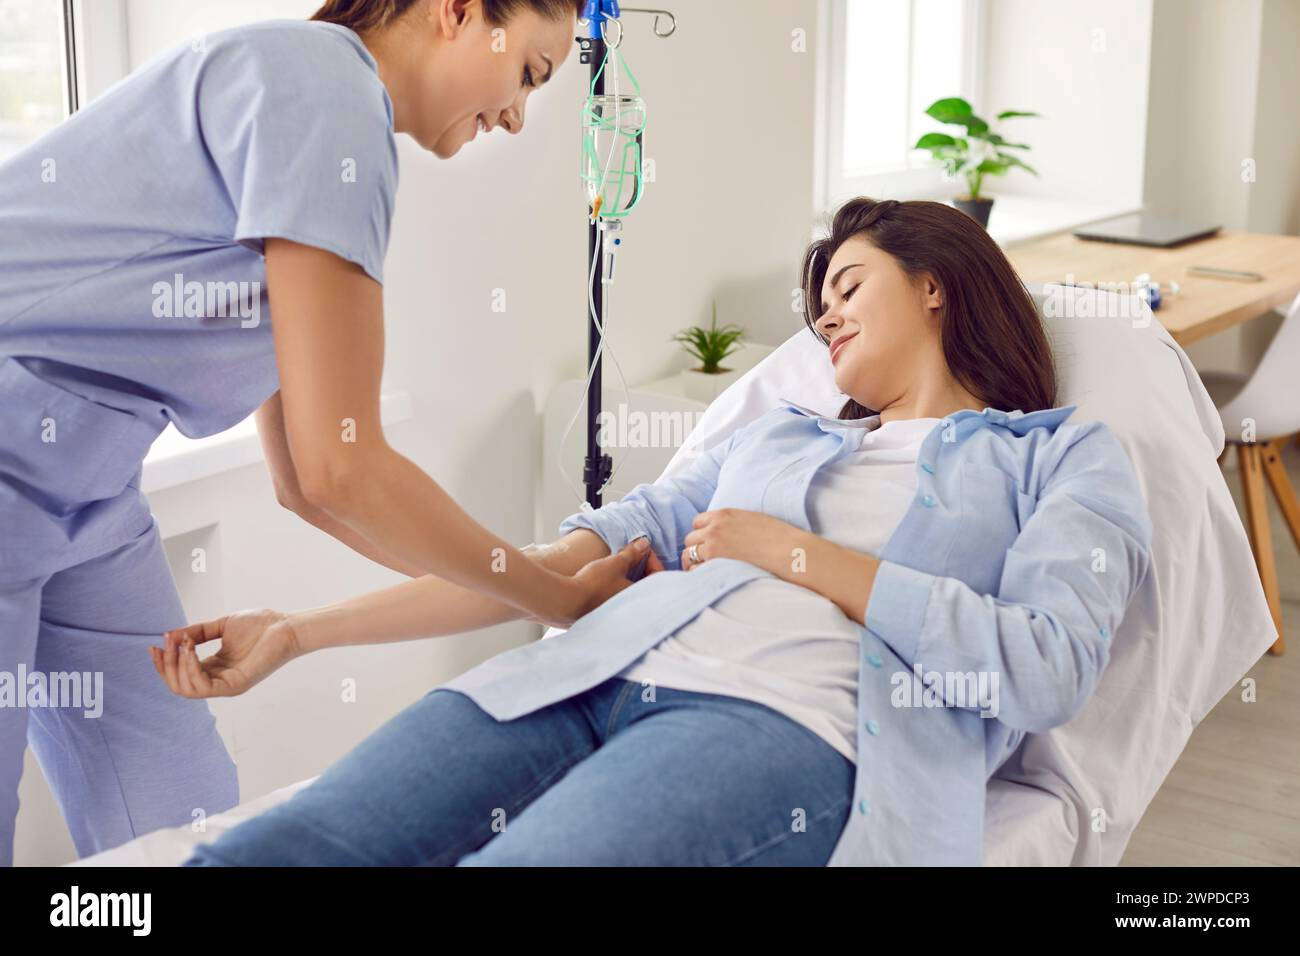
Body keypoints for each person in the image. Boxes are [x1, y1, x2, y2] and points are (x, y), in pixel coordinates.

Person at [164, 198, 1154, 866]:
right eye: (819, 313)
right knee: (284, 846)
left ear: (935, 280)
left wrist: (796, 555)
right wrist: (298, 632)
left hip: (782, 724)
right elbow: (547, 573)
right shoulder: (773, 437)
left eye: (848, 287)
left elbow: (1046, 664)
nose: (828, 321)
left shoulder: (1061, 456)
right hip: (575, 680)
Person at [0, 0, 649, 866]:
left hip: (86, 491)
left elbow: (306, 481)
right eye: (529, 71)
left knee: (182, 817)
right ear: (457, 12)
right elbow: (344, 467)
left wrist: (524, 583)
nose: (517, 114)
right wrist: (559, 600)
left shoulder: (327, 123)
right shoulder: (326, 89)